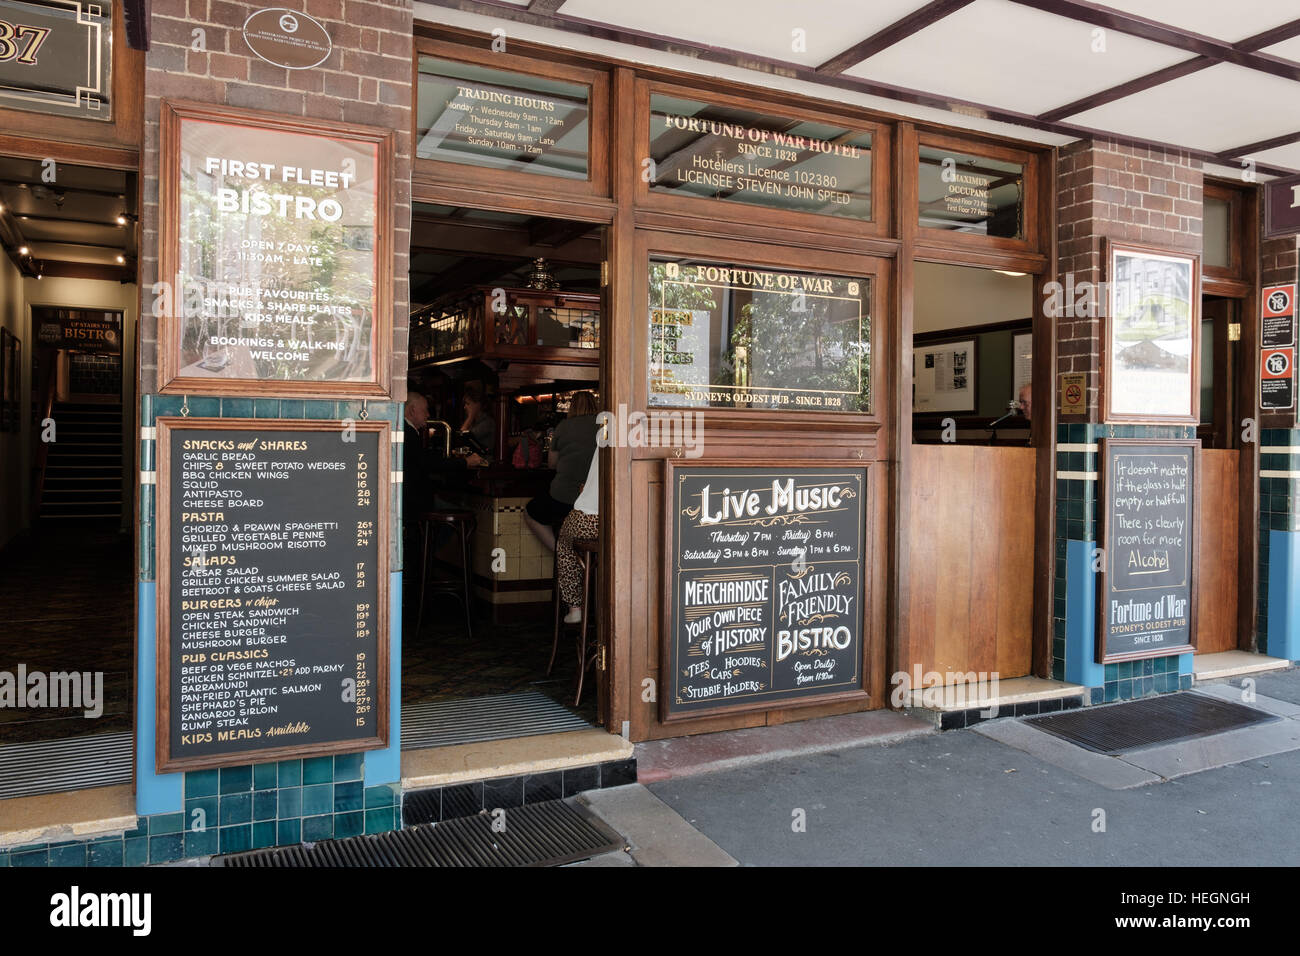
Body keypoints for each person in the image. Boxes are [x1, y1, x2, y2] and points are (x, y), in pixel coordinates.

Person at [524, 390, 599, 552]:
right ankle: (588, 561)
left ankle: (560, 551)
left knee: (531, 512)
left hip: (564, 498)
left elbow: (551, 463)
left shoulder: (563, 426)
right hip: (595, 502)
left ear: (572, 407)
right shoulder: (604, 427)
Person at [556, 448, 599, 623]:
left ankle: (575, 607)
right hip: (627, 520)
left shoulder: (607, 429)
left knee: (565, 542)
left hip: (589, 518)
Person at [459, 381, 495, 458]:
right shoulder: (474, 421)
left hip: (486, 462)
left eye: (468, 404)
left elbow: (462, 438)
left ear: (477, 405)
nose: (465, 407)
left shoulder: (487, 422)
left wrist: (470, 416)